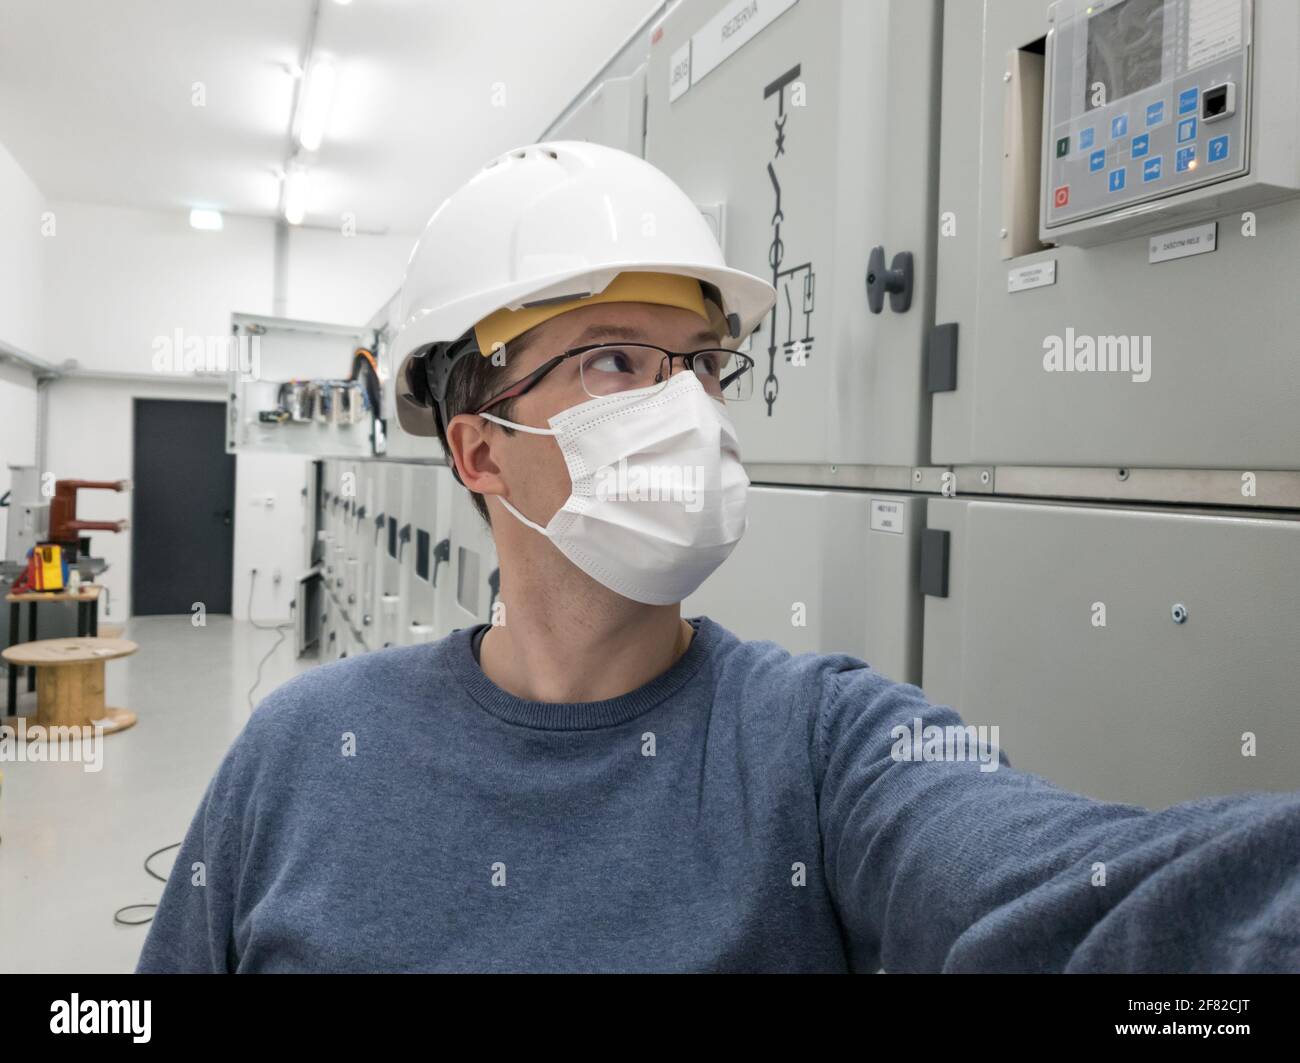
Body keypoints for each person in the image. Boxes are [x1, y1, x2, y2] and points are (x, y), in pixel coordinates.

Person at [138, 142, 1300, 973]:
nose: (687, 408)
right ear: (481, 452)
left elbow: (1097, 896)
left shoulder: (822, 743)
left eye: (698, 361)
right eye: (612, 361)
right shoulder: (303, 747)